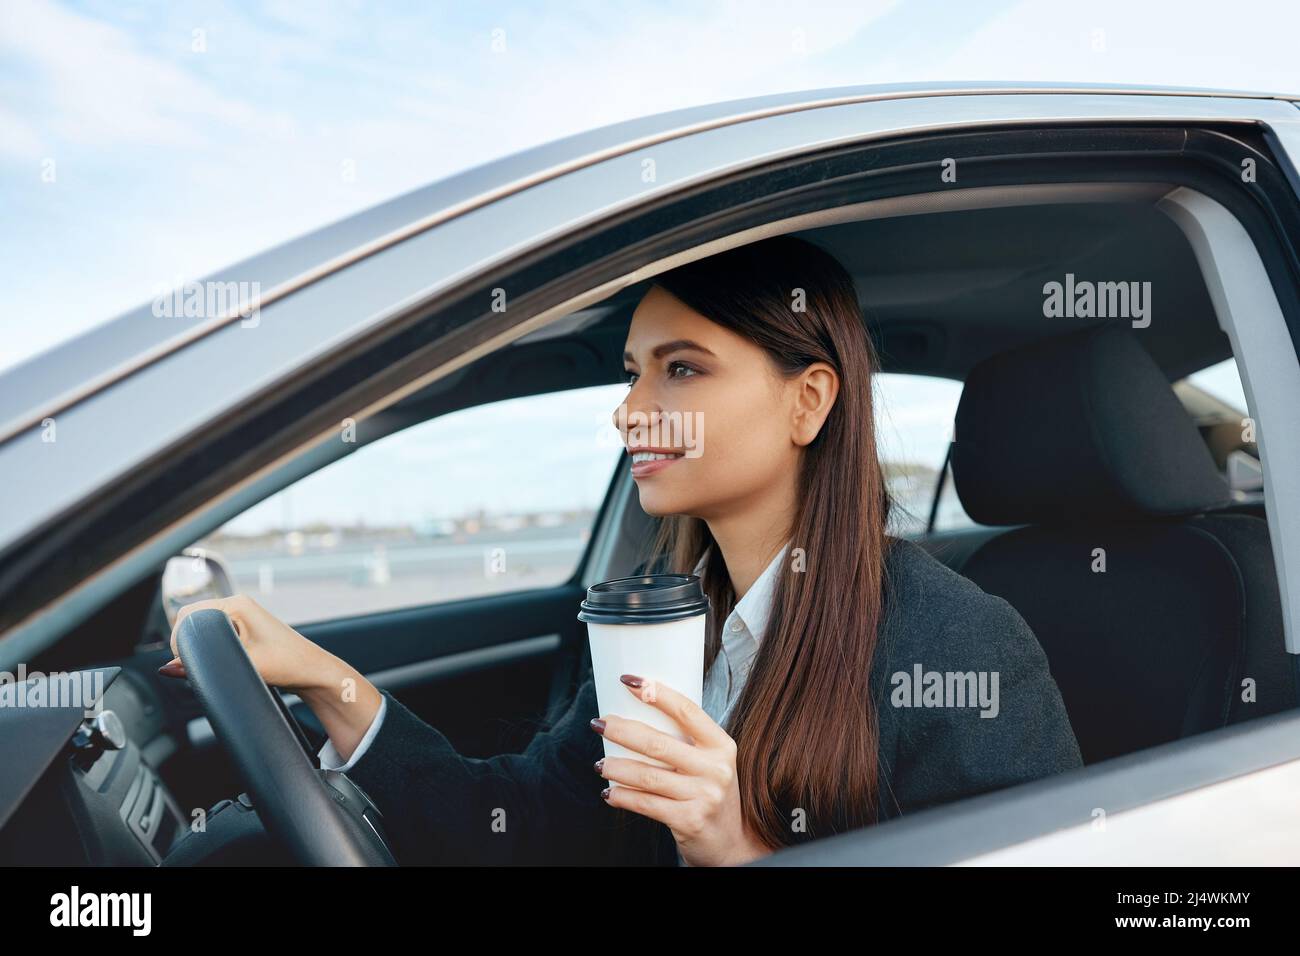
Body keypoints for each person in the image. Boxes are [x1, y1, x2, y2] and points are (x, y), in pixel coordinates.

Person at [163, 235, 1083, 866]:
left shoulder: (962, 646)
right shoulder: (664, 616)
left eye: (680, 368)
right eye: (633, 371)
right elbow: (521, 826)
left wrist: (743, 850)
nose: (629, 408)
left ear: (808, 402)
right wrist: (328, 680)